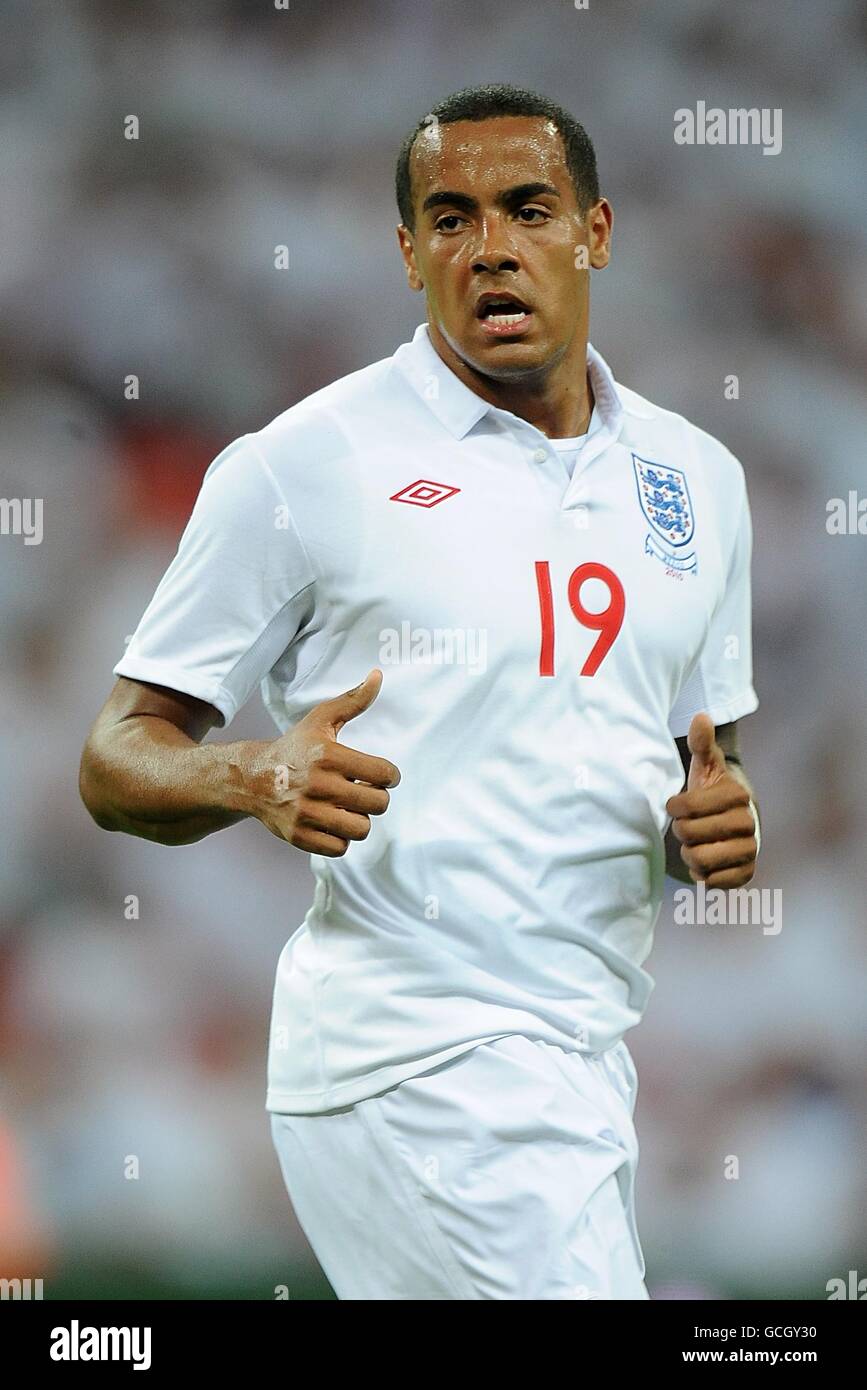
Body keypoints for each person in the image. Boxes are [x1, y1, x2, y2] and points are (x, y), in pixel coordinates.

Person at [80, 84, 761, 1300]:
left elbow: (689, 766)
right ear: (409, 254)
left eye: (528, 209)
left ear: (595, 233)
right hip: (419, 1052)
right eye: (450, 218)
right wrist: (251, 771)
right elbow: (115, 756)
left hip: (583, 1056)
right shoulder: (308, 464)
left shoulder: (697, 480)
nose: (490, 246)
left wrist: (706, 824)